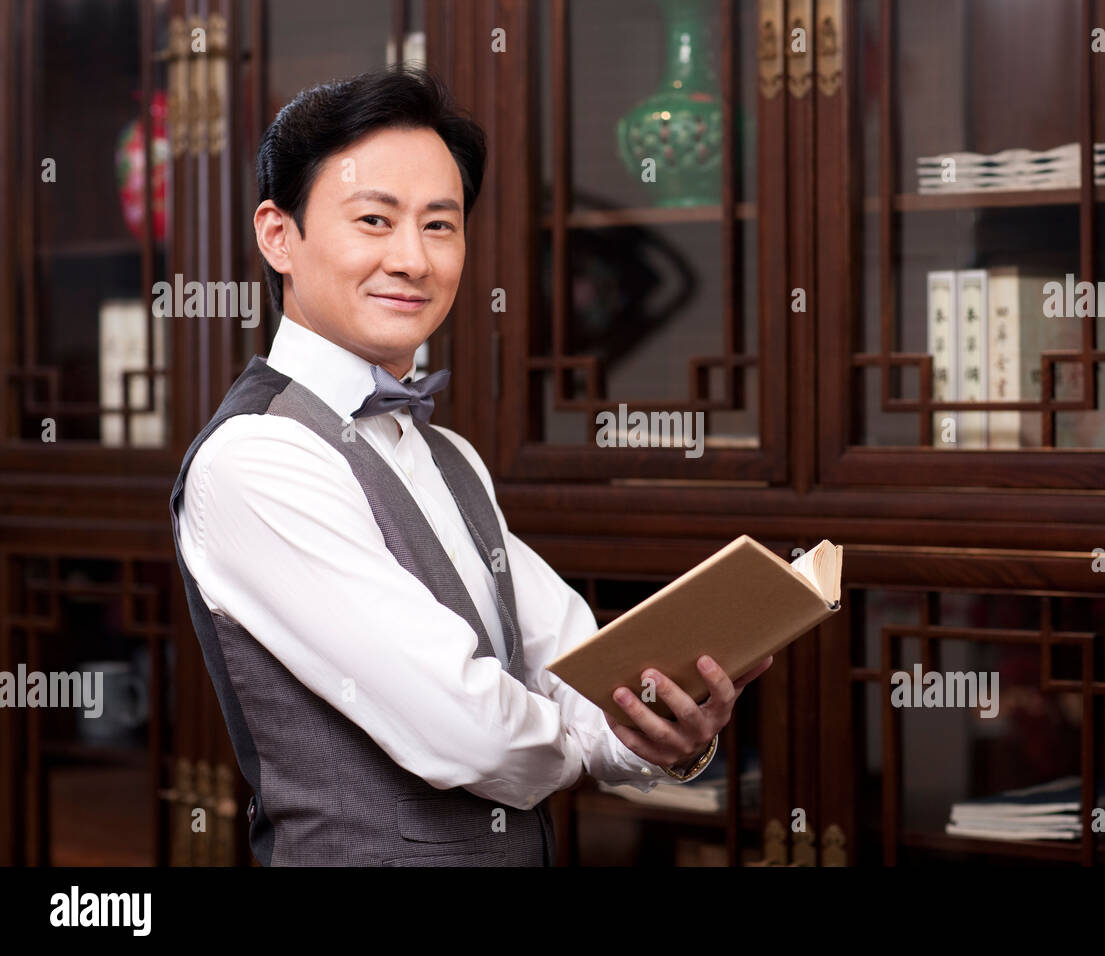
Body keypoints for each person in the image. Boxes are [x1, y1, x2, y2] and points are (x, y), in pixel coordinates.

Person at [168, 65, 772, 866]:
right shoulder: (255, 457)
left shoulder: (449, 456)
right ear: (279, 235)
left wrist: (657, 733)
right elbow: (466, 732)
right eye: (375, 220)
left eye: (440, 225)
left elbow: (581, 662)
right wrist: (591, 741)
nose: (413, 260)